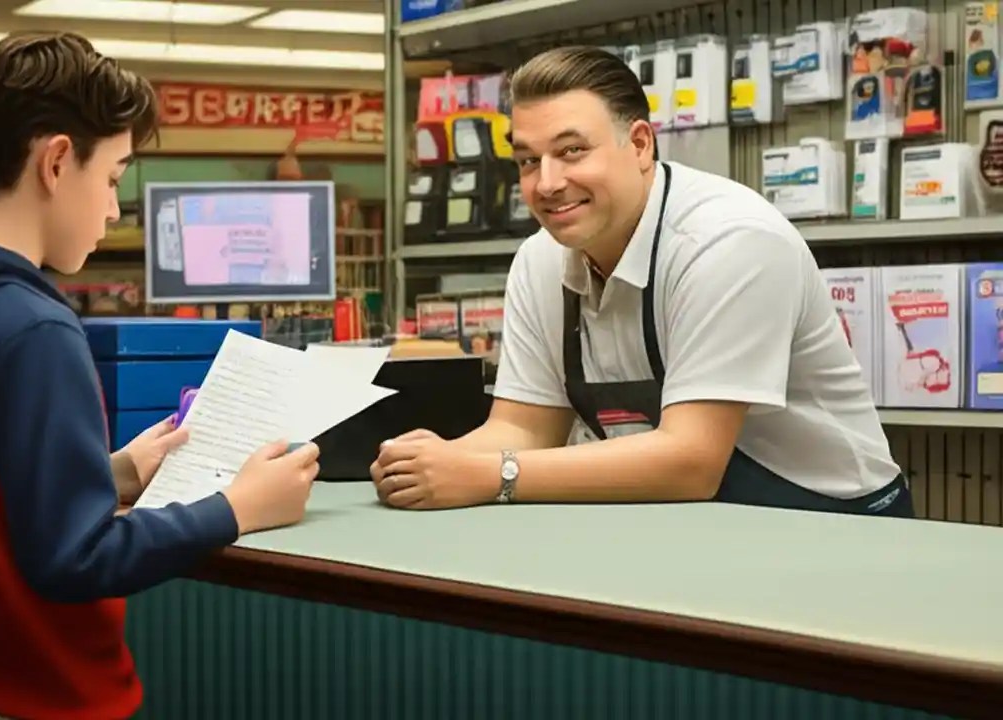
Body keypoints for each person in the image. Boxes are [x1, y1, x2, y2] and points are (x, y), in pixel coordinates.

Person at [0, 31, 320, 720]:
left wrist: (114, 474)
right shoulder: (36, 329)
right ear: (55, 161)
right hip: (41, 700)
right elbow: (75, 558)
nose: (112, 209)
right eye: (111, 178)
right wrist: (239, 509)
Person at [371, 46, 912, 518]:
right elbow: (525, 430)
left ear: (640, 144)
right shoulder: (541, 260)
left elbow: (691, 461)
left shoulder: (728, 242)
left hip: (832, 522)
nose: (548, 182)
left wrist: (495, 477)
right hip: (689, 519)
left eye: (572, 151)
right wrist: (428, 465)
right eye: (529, 160)